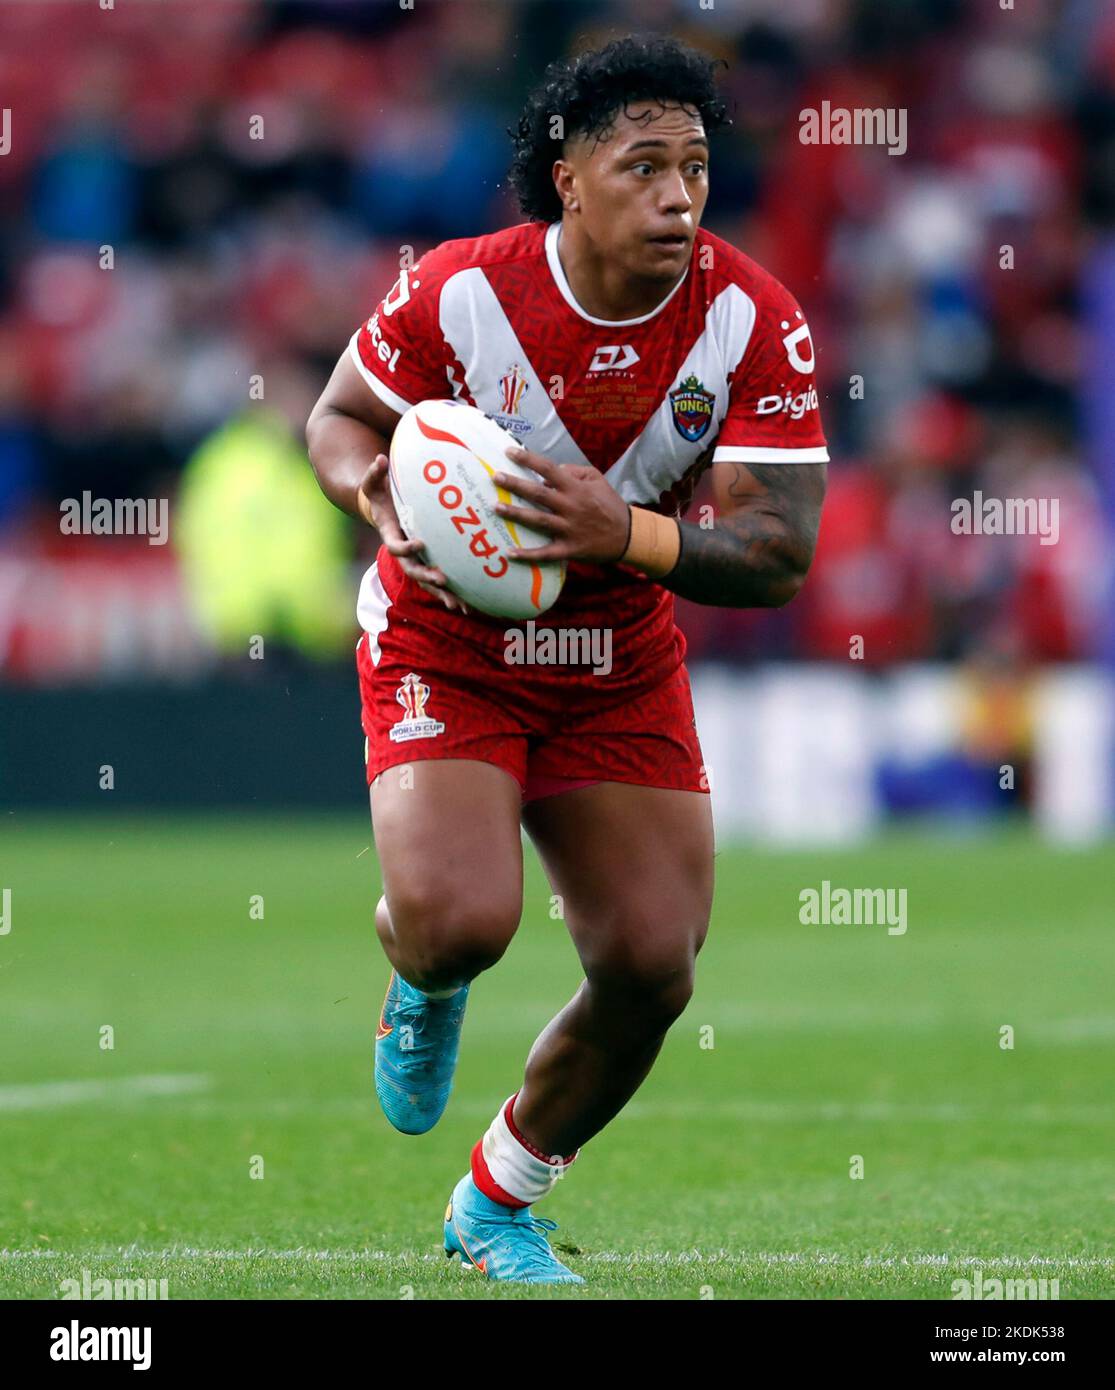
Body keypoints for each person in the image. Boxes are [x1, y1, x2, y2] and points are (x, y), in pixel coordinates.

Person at [305, 33, 828, 1284]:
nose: (677, 196)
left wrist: (629, 533)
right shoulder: (457, 290)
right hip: (450, 637)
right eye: (643, 166)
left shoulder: (753, 317)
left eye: (694, 167)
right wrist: (373, 498)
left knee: (652, 965)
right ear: (569, 176)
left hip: (615, 656)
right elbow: (336, 421)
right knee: (460, 925)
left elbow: (777, 551)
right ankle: (419, 974)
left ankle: (496, 1200)